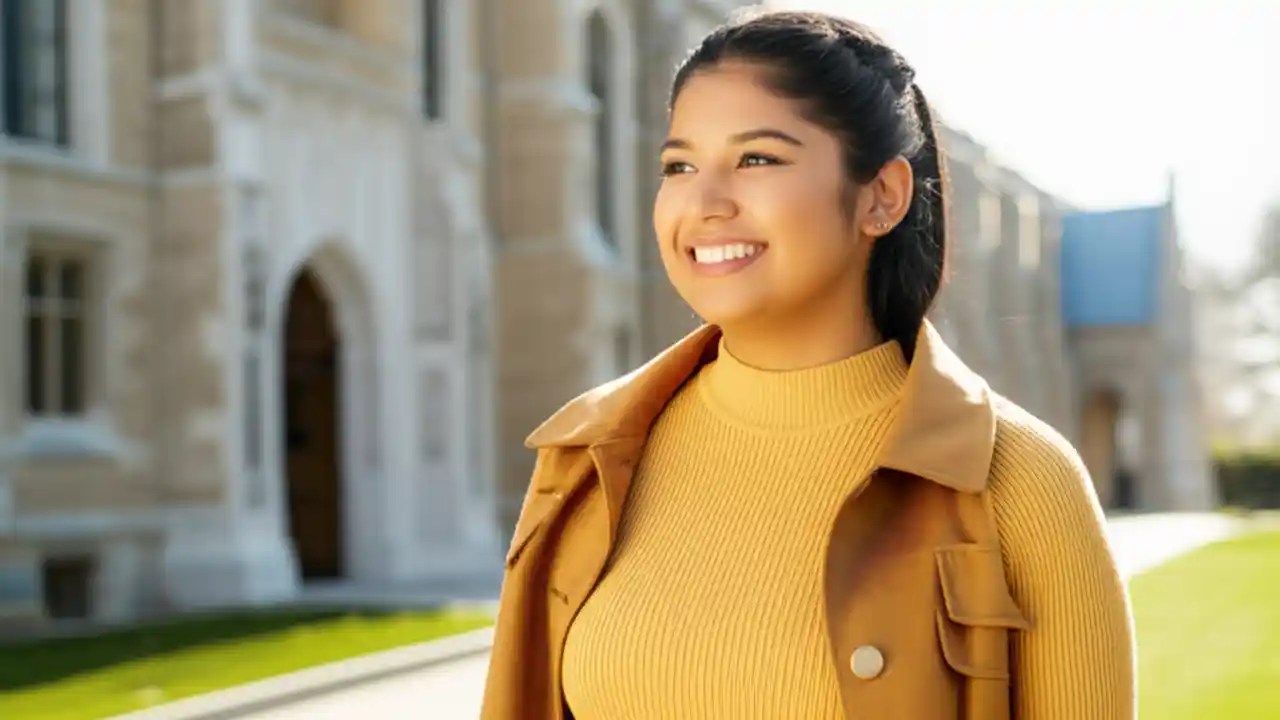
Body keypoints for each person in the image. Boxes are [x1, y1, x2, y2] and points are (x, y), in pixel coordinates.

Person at [482, 9, 1134, 720]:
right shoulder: (583, 460)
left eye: (758, 159)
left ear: (882, 197)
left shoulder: (1019, 480)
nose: (704, 203)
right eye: (679, 166)